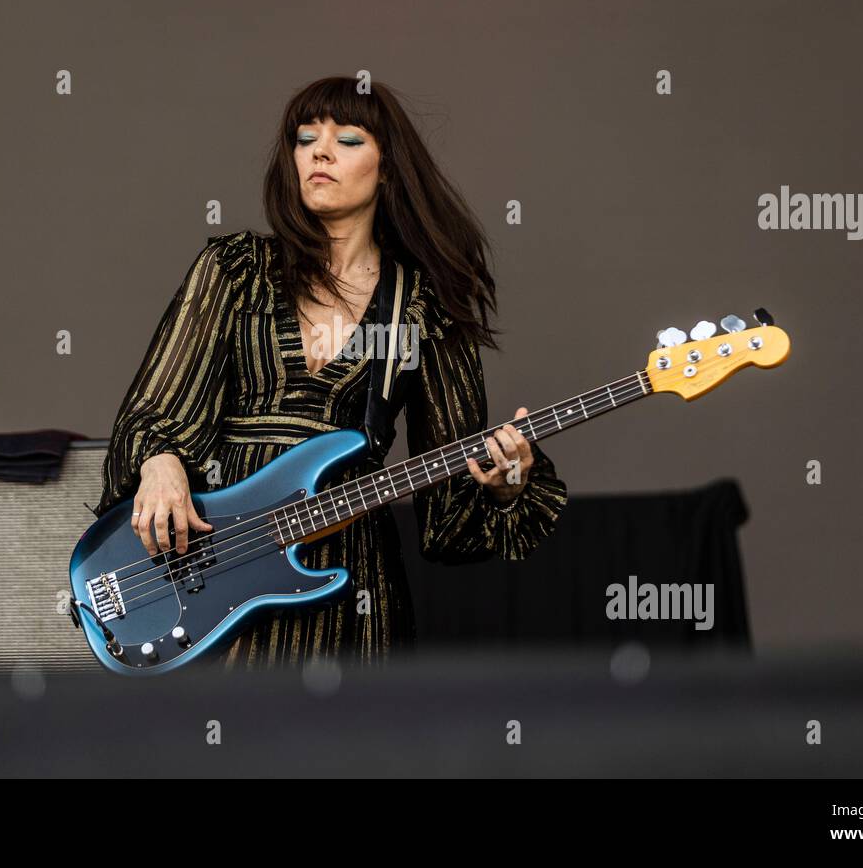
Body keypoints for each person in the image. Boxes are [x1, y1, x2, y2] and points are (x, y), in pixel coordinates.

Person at [93, 76, 568, 670]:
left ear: (388, 169)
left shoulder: (423, 309)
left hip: (345, 581)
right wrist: (158, 462)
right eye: (304, 137)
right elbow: (154, 406)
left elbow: (448, 510)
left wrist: (505, 486)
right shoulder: (235, 269)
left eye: (347, 139)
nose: (319, 151)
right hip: (212, 563)